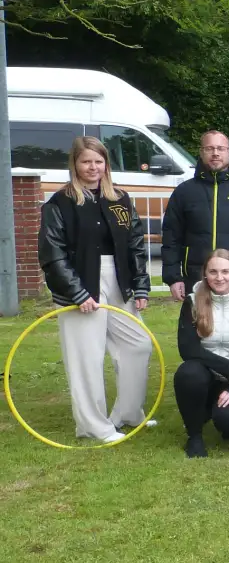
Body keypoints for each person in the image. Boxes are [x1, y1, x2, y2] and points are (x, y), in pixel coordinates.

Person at [37, 136, 153, 442]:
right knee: (86, 357)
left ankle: (128, 412)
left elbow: (135, 245)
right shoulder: (60, 203)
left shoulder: (120, 199)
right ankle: (93, 426)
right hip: (80, 280)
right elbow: (52, 254)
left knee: (138, 344)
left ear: (106, 164)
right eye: (86, 161)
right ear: (75, 164)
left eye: (98, 161)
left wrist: (140, 286)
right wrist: (77, 292)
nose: (93, 167)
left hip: (119, 278)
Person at [161, 130, 229, 300]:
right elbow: (171, 238)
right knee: (197, 318)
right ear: (201, 152)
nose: (215, 153)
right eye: (210, 148)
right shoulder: (184, 192)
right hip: (195, 277)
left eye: (220, 148)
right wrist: (173, 278)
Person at [174, 249, 229, 458]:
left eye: (225, 271)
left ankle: (224, 414)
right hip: (205, 373)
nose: (219, 277)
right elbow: (187, 349)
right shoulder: (193, 301)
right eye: (213, 272)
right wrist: (227, 368)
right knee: (188, 373)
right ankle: (194, 435)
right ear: (205, 274)